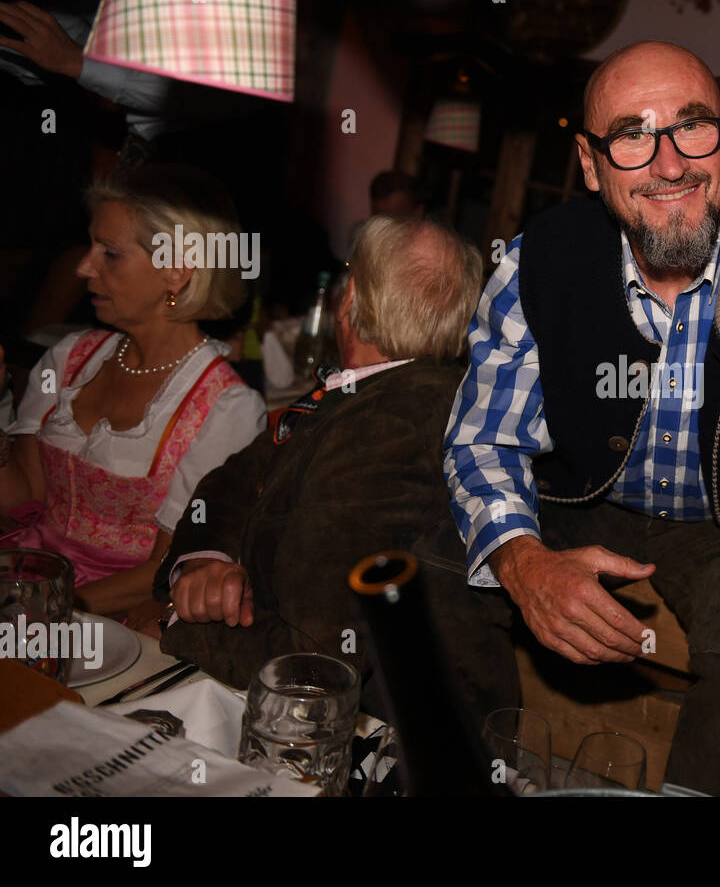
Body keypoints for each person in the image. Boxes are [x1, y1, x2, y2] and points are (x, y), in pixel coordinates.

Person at [441, 41, 720, 796]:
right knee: (432, 562)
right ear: (590, 165)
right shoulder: (539, 261)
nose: (670, 163)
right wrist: (521, 560)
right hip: (573, 503)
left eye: (692, 127)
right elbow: (482, 438)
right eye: (630, 136)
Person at [152, 215, 481, 702]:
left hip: (386, 740)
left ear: (351, 298)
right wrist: (208, 563)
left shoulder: (393, 423)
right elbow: (235, 479)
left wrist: (178, 624)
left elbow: (315, 665)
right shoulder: (373, 388)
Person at [0, 163, 265, 629]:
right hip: (25, 585)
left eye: (110, 253)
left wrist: (48, 609)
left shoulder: (226, 408)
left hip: (111, 623)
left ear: (177, 272)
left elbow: (168, 569)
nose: (84, 266)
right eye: (91, 245)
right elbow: (23, 500)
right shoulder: (69, 358)